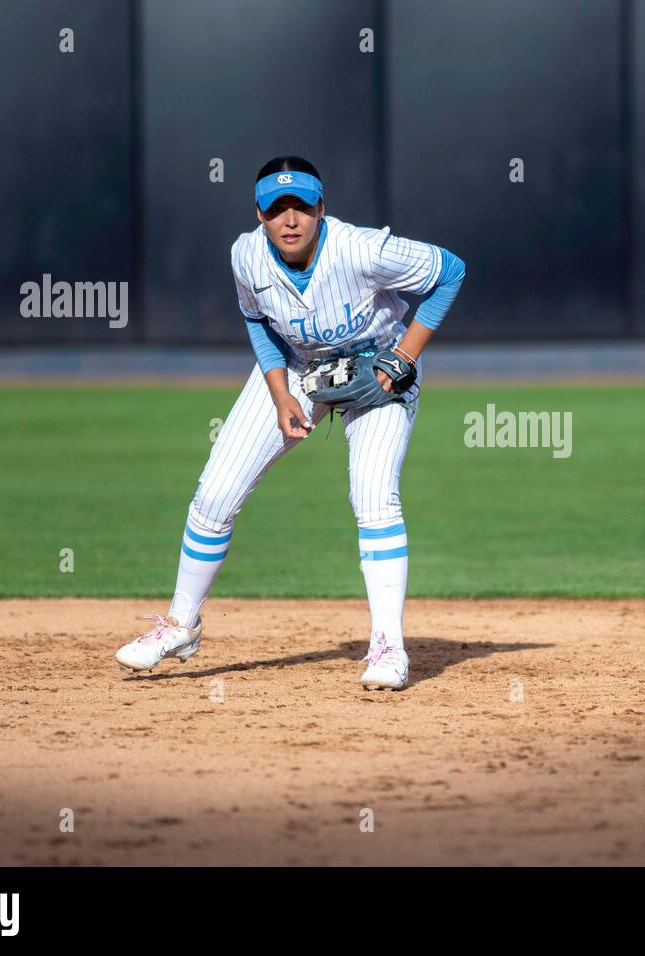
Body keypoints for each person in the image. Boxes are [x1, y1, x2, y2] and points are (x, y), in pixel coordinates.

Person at [114, 155, 465, 690]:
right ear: (260, 215)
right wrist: (280, 394)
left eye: (302, 205)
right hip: (298, 368)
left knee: (374, 497)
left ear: (322, 207)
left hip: (378, 369)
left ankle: (388, 647)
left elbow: (450, 270)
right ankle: (181, 625)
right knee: (214, 494)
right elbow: (258, 322)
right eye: (277, 208)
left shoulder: (364, 250)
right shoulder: (247, 256)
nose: (291, 218)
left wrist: (405, 357)